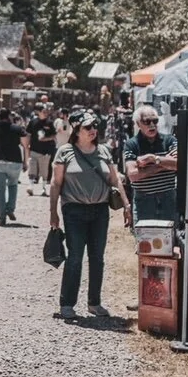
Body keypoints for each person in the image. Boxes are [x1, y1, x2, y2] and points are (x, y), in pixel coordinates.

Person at [49, 112, 129, 319]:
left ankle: (95, 303)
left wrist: (127, 205)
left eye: (95, 125)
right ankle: (67, 304)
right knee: (75, 257)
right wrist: (53, 213)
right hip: (74, 210)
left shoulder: (103, 151)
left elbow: (115, 180)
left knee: (97, 258)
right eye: (88, 127)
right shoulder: (65, 152)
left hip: (100, 211)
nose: (94, 129)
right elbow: (56, 183)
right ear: (76, 130)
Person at [123, 104, 179, 225]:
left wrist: (152, 158)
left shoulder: (170, 140)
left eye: (155, 120)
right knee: (145, 240)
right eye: (147, 121)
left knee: (169, 238)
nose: (152, 125)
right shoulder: (131, 144)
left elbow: (178, 165)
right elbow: (133, 175)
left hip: (168, 199)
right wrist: (163, 163)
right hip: (144, 200)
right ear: (138, 124)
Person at [26, 104, 58, 197]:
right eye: (43, 112)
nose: (45, 113)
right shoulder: (33, 122)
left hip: (46, 151)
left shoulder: (49, 123)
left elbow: (54, 135)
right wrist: (26, 146)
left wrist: (45, 139)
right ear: (38, 112)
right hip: (34, 149)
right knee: (32, 168)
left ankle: (43, 189)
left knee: (44, 171)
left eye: (46, 112)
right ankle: (30, 187)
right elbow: (28, 134)